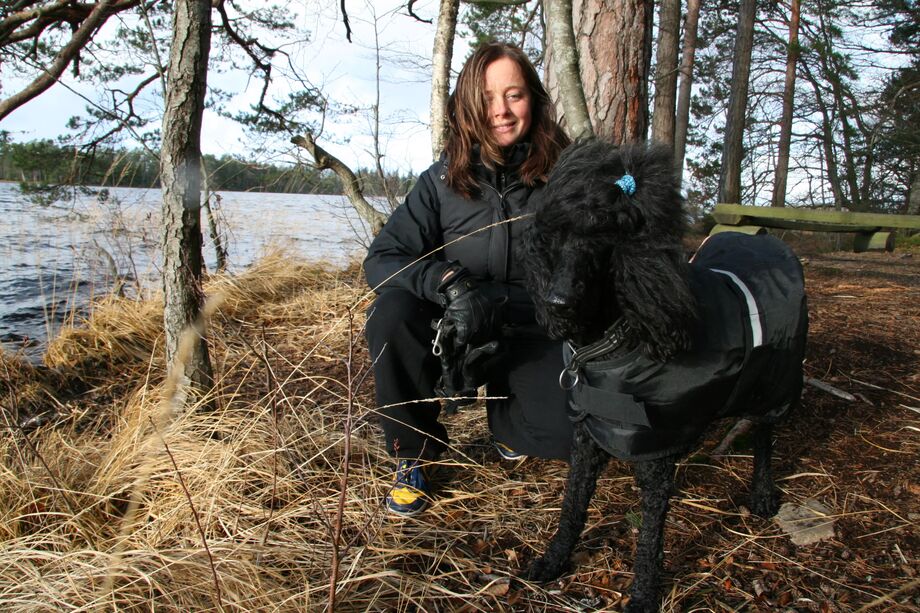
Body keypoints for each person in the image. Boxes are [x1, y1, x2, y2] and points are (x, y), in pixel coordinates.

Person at [363, 41, 572, 516]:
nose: (500, 111)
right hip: (457, 322)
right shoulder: (441, 180)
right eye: (487, 98)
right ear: (467, 106)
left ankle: (508, 422)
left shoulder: (565, 172)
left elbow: (622, 190)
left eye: (514, 95)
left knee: (564, 437)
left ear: (534, 100)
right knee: (391, 314)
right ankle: (411, 454)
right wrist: (448, 283)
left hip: (530, 325)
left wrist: (630, 182)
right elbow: (381, 259)